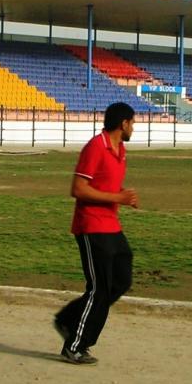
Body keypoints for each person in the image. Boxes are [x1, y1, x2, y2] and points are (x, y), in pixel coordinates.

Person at [53, 101, 138, 365]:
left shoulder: (120, 150)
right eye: (133, 123)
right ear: (123, 124)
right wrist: (117, 197)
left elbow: (107, 184)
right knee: (99, 288)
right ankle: (75, 346)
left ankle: (68, 319)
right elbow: (78, 189)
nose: (134, 127)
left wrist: (121, 198)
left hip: (112, 225)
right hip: (91, 225)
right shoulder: (95, 147)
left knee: (121, 280)